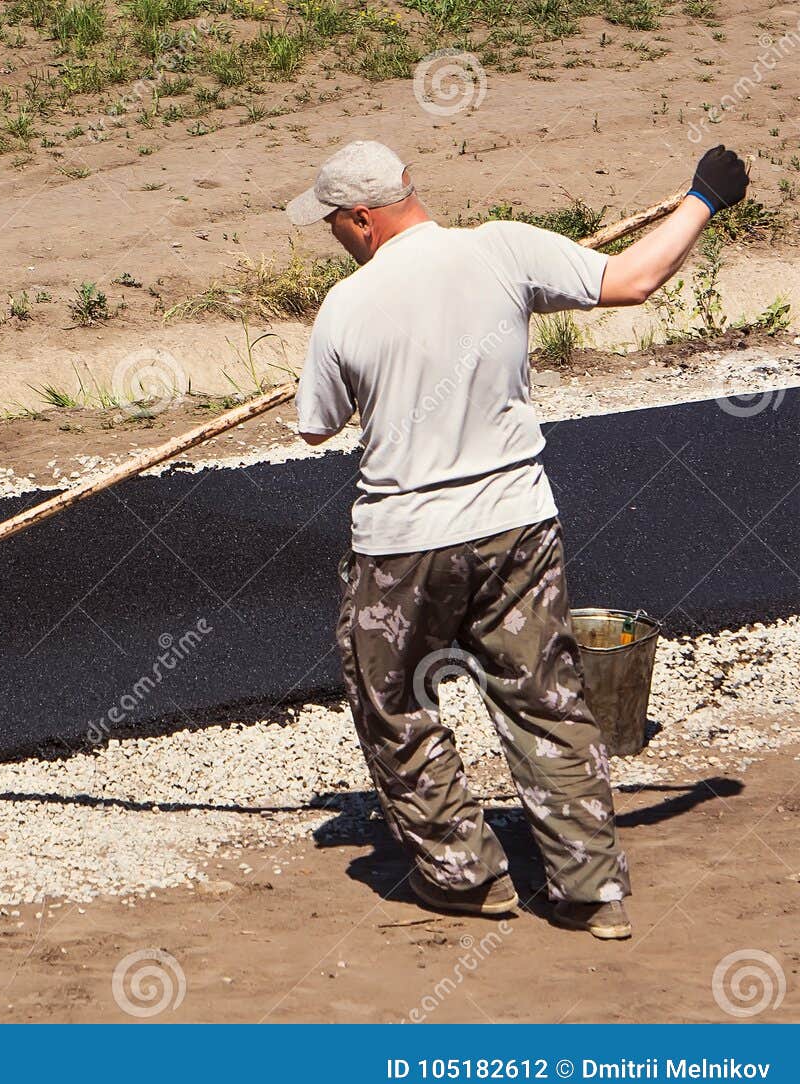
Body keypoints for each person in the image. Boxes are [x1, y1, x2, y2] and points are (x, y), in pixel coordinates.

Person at [288, 141, 748, 939]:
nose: (332, 233)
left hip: (404, 542)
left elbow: (315, 427)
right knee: (545, 699)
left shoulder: (346, 307)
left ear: (361, 220)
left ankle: (469, 877)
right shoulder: (503, 247)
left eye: (332, 222)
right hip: (516, 526)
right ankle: (590, 890)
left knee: (392, 700)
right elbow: (633, 280)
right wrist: (704, 197)